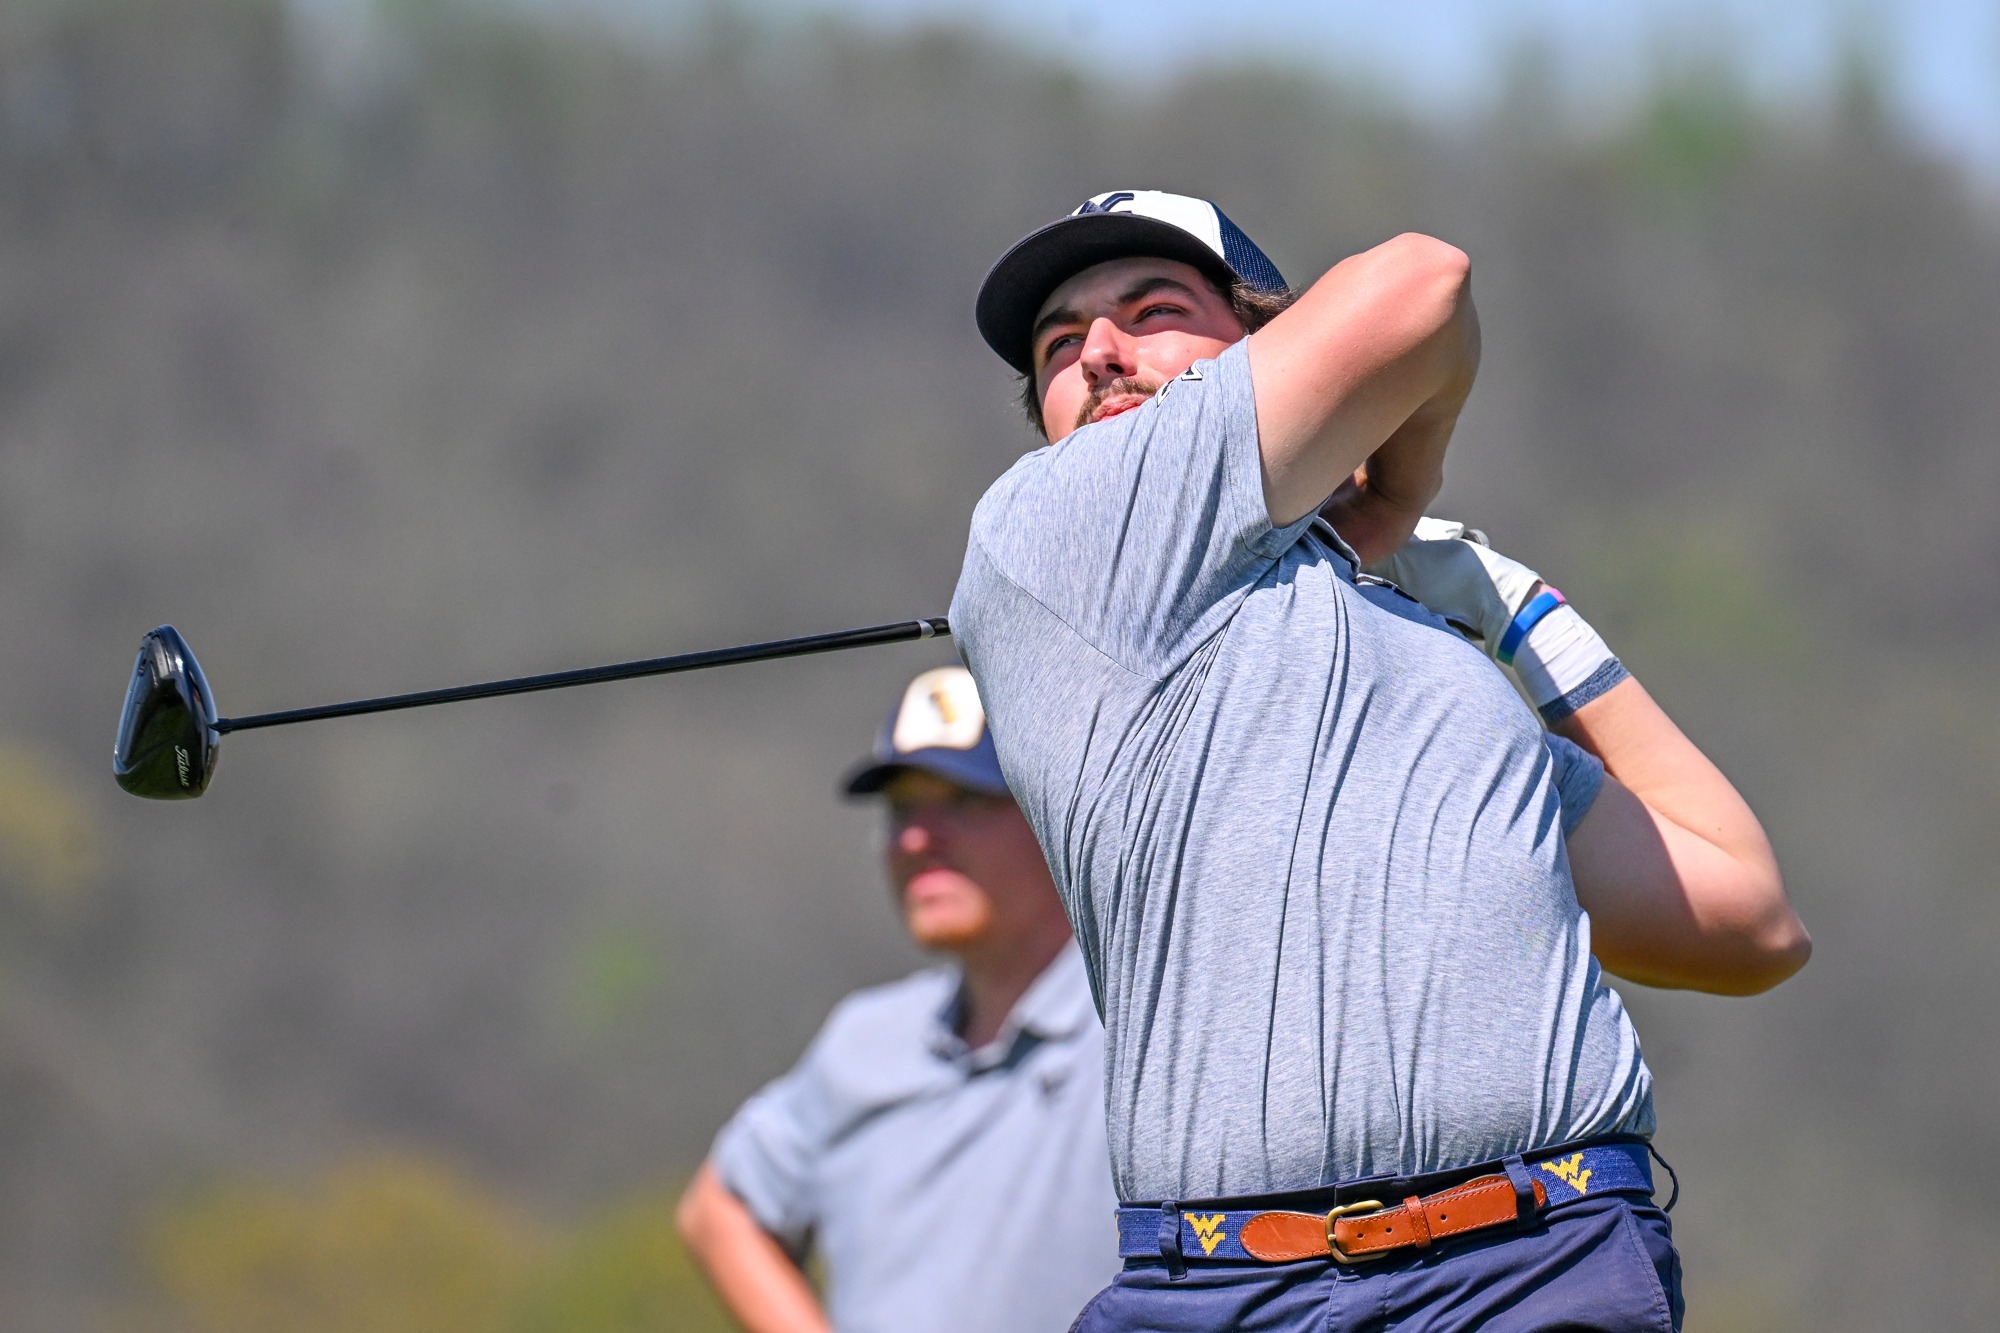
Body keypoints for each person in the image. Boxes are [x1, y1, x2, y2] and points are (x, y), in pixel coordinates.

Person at [950, 190, 1811, 1330]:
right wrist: (1400, 484)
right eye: (1059, 348)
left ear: (1265, 345)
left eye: (1151, 310)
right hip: (1232, 1288)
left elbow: (1744, 919)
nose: (1101, 353)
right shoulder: (1063, 521)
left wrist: (1518, 619)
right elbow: (1421, 284)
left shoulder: (1441, 677)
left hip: (1535, 1267)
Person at [675, 665, 1119, 1333]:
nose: (917, 838)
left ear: (1054, 812)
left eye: (966, 800)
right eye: (903, 807)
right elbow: (717, 1211)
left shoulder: (1139, 1025)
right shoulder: (865, 1040)